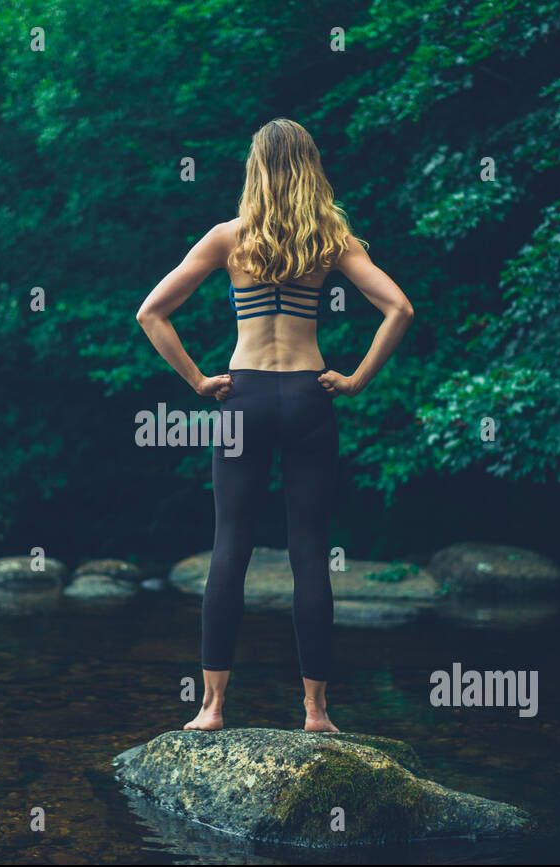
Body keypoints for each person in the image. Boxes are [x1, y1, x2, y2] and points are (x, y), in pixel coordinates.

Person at [135, 118, 414, 732]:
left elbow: (151, 312)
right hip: (310, 397)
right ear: (311, 168)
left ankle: (211, 709)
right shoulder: (330, 238)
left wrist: (199, 382)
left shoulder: (227, 238)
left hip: (246, 396)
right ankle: (316, 713)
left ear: (254, 169)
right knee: (309, 555)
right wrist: (358, 378)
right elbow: (399, 307)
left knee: (229, 547)